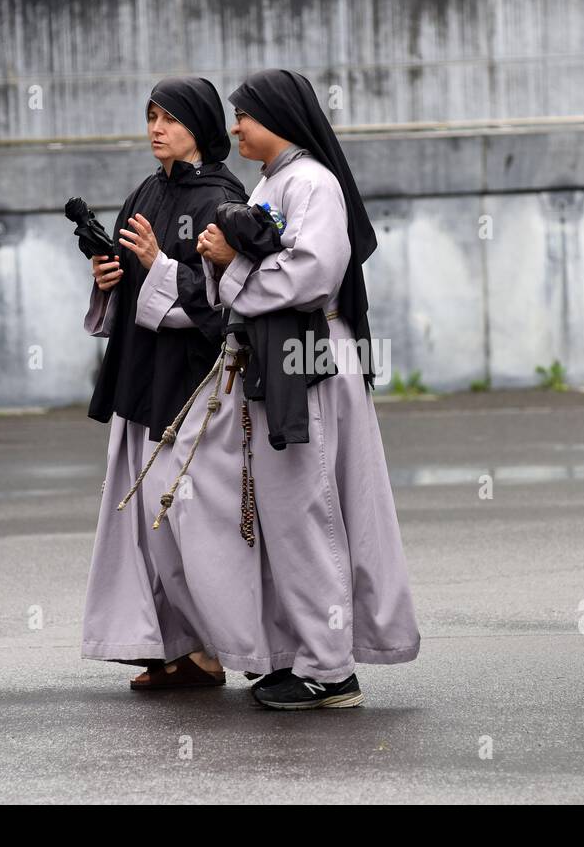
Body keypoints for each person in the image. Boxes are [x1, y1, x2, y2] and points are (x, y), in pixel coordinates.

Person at [148, 68, 421, 710]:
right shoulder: (274, 181)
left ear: (279, 118)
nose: (235, 125)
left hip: (307, 357)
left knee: (307, 511)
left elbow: (313, 275)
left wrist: (230, 263)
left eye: (245, 114)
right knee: (282, 515)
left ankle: (330, 672)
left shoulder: (313, 182)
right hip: (279, 355)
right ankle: (301, 655)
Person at [80, 76, 247, 690]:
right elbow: (132, 291)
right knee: (140, 520)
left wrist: (156, 266)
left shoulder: (223, 198)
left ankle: (212, 645)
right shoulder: (144, 192)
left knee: (187, 520)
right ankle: (170, 646)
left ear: (200, 127)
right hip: (139, 376)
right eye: (150, 116)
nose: (156, 128)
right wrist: (109, 278)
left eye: (169, 119)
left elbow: (228, 303)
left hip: (191, 385)